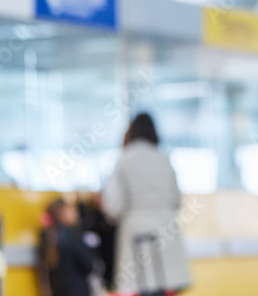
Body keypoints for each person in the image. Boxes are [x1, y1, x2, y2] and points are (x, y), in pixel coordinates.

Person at [102, 113, 191, 296]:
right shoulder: (164, 159)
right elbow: (177, 200)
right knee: (165, 285)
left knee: (140, 285)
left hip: (135, 231)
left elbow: (113, 206)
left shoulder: (123, 160)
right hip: (166, 230)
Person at [39, 198, 94, 296]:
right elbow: (88, 265)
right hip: (78, 291)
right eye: (71, 210)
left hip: (57, 291)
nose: (75, 213)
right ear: (62, 214)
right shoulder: (73, 236)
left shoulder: (47, 237)